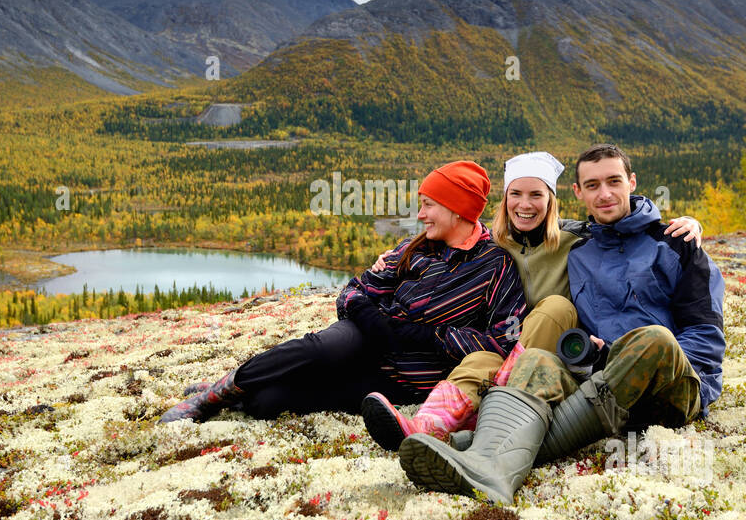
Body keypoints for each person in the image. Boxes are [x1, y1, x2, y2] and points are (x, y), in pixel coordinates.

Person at [397, 143, 725, 503]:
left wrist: (692, 223)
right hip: (600, 381)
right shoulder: (580, 247)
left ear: (631, 182)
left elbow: (705, 336)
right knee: (537, 360)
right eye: (593, 185)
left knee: (655, 339)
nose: (604, 194)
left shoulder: (678, 244)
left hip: (670, 386)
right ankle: (486, 470)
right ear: (578, 193)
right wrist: (399, 257)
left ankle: (475, 446)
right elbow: (504, 232)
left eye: (614, 182)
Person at [157, 160, 526, 423]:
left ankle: (247, 388)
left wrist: (426, 336)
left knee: (267, 404)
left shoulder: (496, 265)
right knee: (329, 345)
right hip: (363, 340)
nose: (421, 214)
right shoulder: (414, 248)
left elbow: (501, 343)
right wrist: (371, 318)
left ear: (458, 209)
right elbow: (352, 291)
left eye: (428, 204)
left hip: (409, 377)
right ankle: (215, 394)